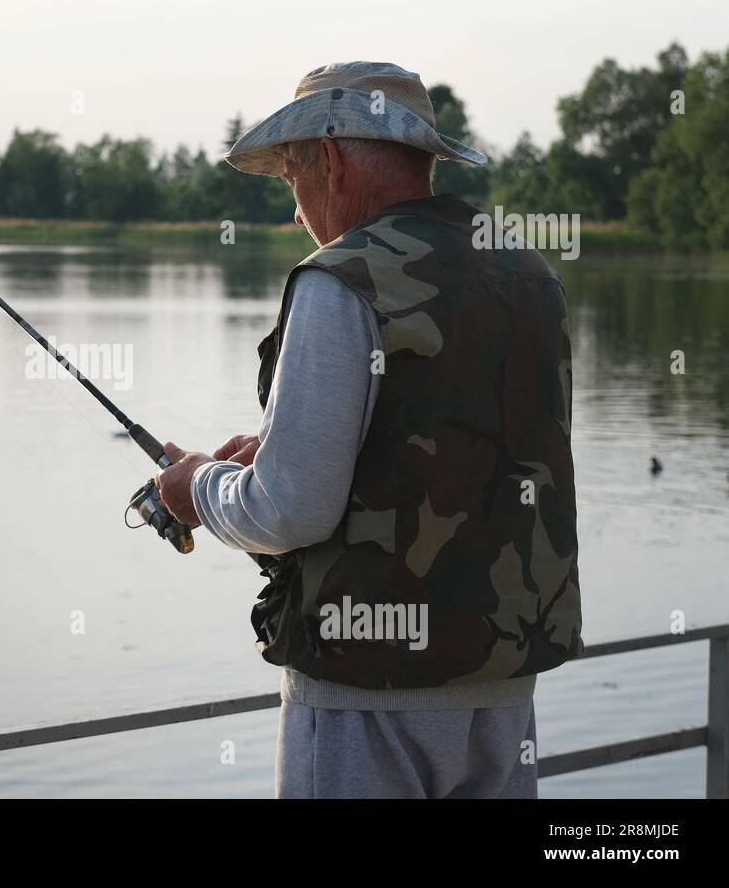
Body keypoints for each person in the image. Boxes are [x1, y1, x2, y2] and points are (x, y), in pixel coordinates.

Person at [154, 62, 583, 798]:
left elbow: (290, 509)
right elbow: (477, 447)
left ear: (327, 157)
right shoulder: (526, 270)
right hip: (504, 688)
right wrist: (294, 451)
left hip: (368, 685)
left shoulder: (341, 277)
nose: (296, 211)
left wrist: (198, 487)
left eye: (293, 179)